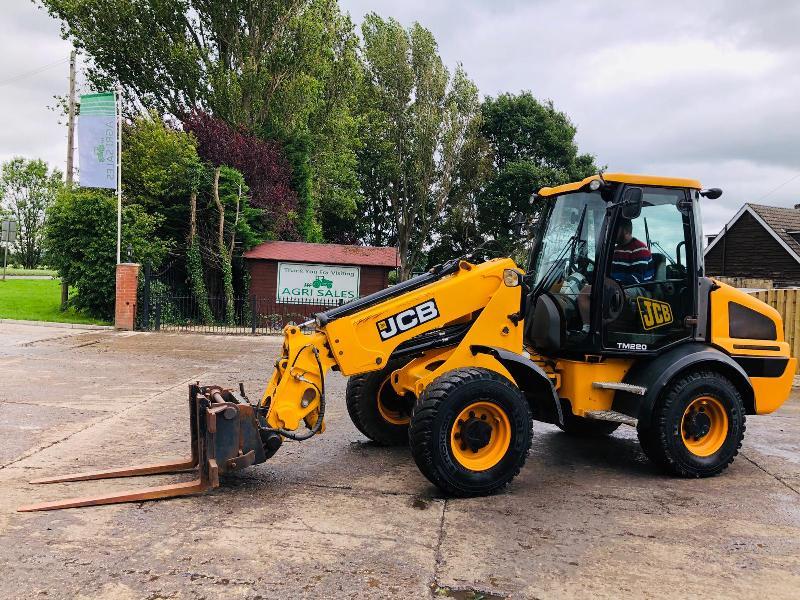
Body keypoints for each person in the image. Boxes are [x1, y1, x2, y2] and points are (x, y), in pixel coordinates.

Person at [611, 218, 653, 286]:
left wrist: (615, 286)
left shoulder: (640, 249)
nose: (612, 232)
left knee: (612, 295)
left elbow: (637, 278)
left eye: (615, 230)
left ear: (626, 231)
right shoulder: (615, 250)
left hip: (638, 288)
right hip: (617, 287)